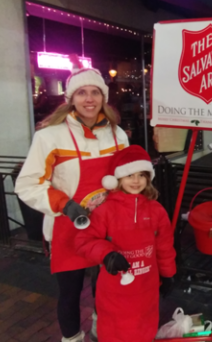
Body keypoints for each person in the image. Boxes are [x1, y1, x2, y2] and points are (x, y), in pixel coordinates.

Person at [16, 63, 129, 342]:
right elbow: (27, 184)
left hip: (108, 227)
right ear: (71, 98)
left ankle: (101, 331)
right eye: (81, 93)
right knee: (70, 293)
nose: (89, 99)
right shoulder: (49, 136)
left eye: (95, 92)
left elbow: (127, 177)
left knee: (107, 287)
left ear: (103, 97)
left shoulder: (118, 134)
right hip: (68, 228)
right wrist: (64, 204)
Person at [76, 145, 176, 342]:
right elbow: (83, 241)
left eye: (141, 175)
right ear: (118, 179)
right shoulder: (105, 211)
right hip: (114, 291)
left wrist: (168, 274)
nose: (136, 181)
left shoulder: (156, 210)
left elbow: (164, 247)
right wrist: (107, 254)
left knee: (144, 330)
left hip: (146, 288)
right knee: (114, 332)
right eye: (130, 175)